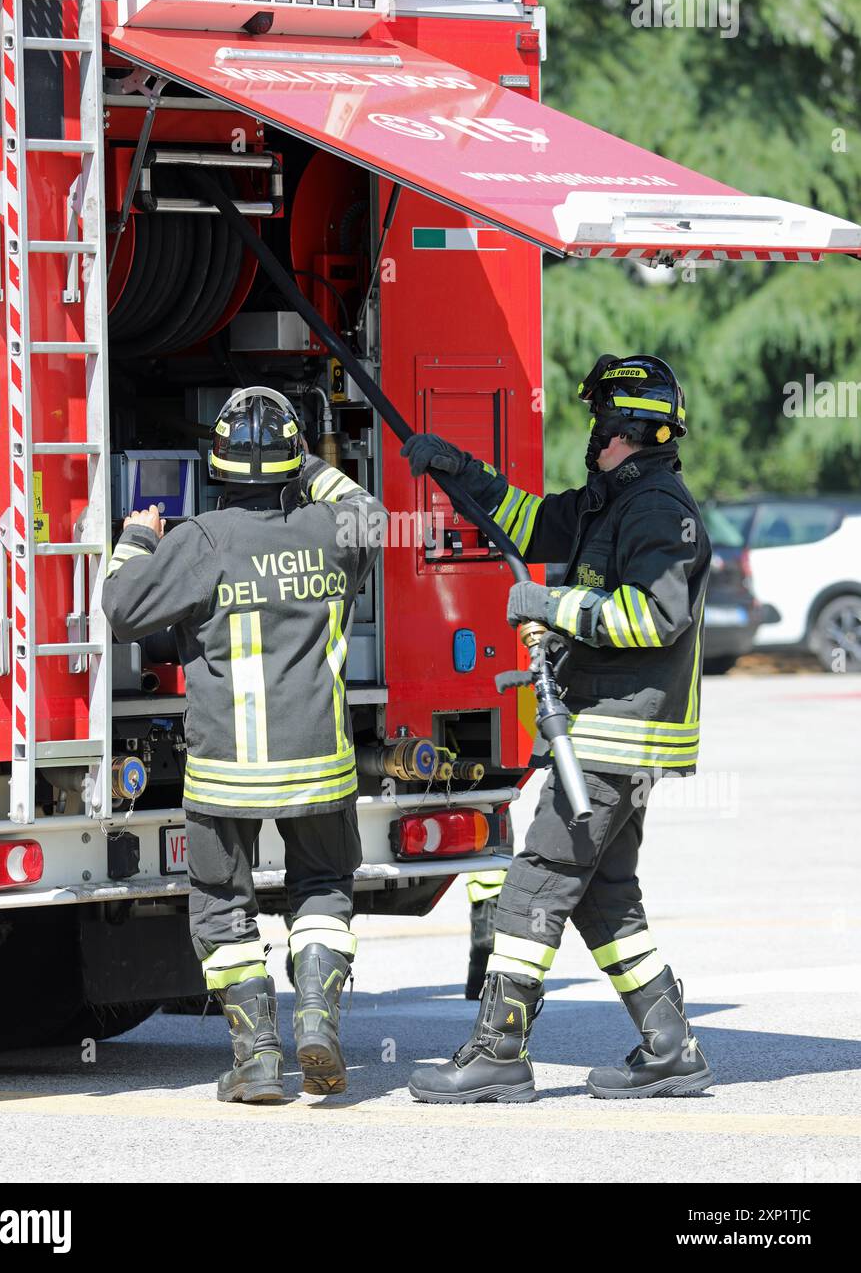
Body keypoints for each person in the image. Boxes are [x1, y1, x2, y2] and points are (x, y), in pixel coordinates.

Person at [402, 354, 714, 1103]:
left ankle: (497, 1048)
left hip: (616, 732)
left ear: (625, 425)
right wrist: (456, 470)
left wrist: (549, 606)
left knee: (536, 880)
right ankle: (669, 1044)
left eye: (599, 421)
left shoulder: (658, 511)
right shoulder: (610, 501)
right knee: (604, 895)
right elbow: (529, 520)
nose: (590, 434)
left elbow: (655, 616)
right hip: (600, 730)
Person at [103, 386, 384, 1103]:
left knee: (221, 906)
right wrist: (313, 470)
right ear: (290, 462)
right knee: (322, 889)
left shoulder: (199, 541)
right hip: (320, 768)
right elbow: (370, 512)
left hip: (224, 772)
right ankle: (317, 1014)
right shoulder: (334, 530)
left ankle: (257, 1057)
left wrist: (137, 536)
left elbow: (121, 608)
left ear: (217, 464)